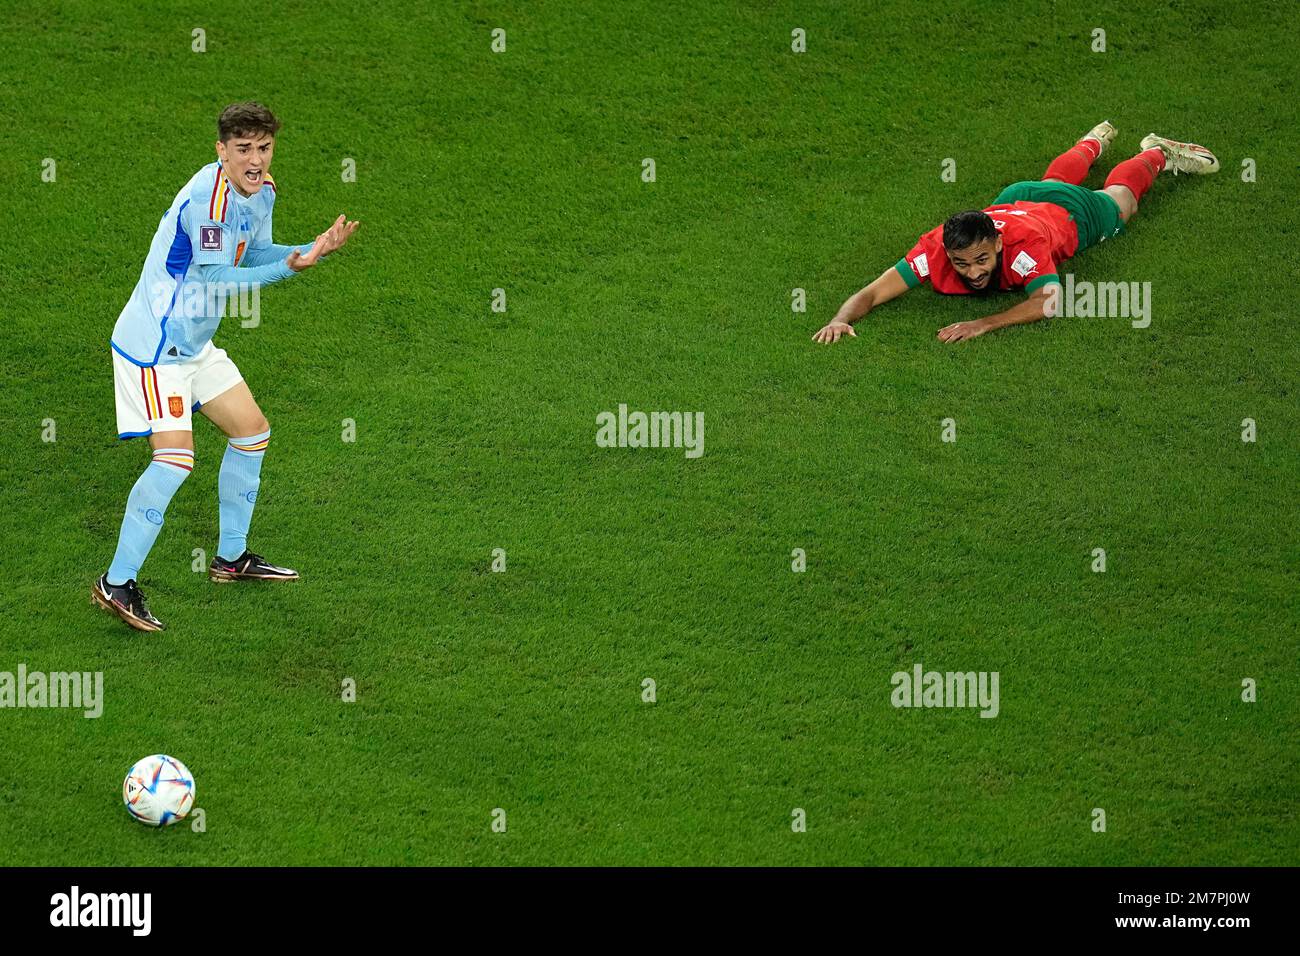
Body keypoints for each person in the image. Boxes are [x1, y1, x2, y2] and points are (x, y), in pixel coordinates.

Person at [93, 102, 359, 632]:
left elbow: (256, 253)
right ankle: (116, 582)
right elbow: (217, 277)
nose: (255, 161)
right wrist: (290, 268)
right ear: (221, 151)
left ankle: (230, 560)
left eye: (263, 148)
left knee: (252, 432)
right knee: (174, 461)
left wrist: (311, 250)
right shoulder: (207, 200)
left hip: (195, 344)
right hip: (156, 349)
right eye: (243, 150)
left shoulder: (263, 193)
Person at [812, 122, 1218, 345]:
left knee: (1120, 201)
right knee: (1050, 181)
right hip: (1018, 199)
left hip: (1069, 212)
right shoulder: (935, 247)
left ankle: (1157, 152)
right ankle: (1091, 143)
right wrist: (839, 319)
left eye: (982, 260)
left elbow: (1048, 302)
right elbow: (874, 291)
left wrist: (984, 323)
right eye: (962, 263)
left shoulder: (1027, 248)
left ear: (999, 244)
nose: (973, 273)